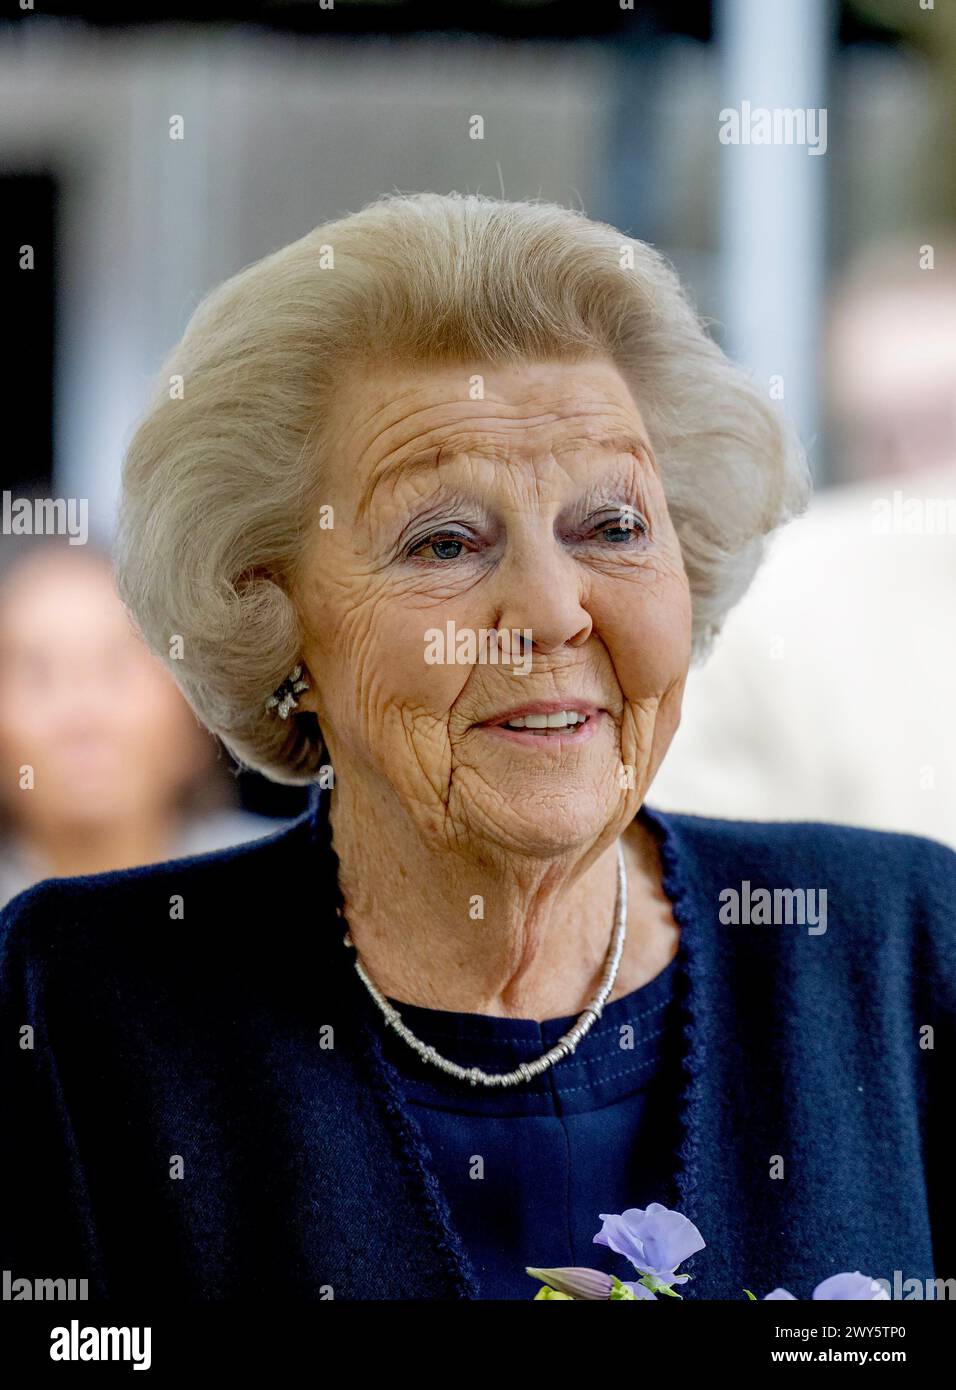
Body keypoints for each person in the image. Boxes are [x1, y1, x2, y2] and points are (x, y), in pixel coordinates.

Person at [1, 193, 953, 1302]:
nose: (550, 612)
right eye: (443, 540)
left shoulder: (896, 948)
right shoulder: (83, 1001)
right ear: (271, 612)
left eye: (611, 527)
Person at [0, 539, 277, 906]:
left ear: (193, 705)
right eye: (38, 675)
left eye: (116, 668)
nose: (82, 717)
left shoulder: (285, 889)